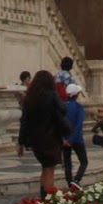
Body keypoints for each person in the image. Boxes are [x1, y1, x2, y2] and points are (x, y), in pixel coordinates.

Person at [20, 69, 69, 197]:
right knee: (49, 170)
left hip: (35, 140)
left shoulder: (29, 98)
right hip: (50, 137)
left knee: (44, 167)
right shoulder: (51, 95)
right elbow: (63, 109)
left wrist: (21, 142)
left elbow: (24, 121)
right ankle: (48, 199)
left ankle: (44, 196)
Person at [61, 83, 88, 189]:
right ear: (76, 94)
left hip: (64, 140)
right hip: (76, 139)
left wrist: (64, 139)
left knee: (67, 163)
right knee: (84, 161)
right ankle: (76, 180)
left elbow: (60, 124)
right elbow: (78, 125)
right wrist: (71, 139)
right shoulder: (78, 107)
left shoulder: (63, 106)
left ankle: (69, 183)